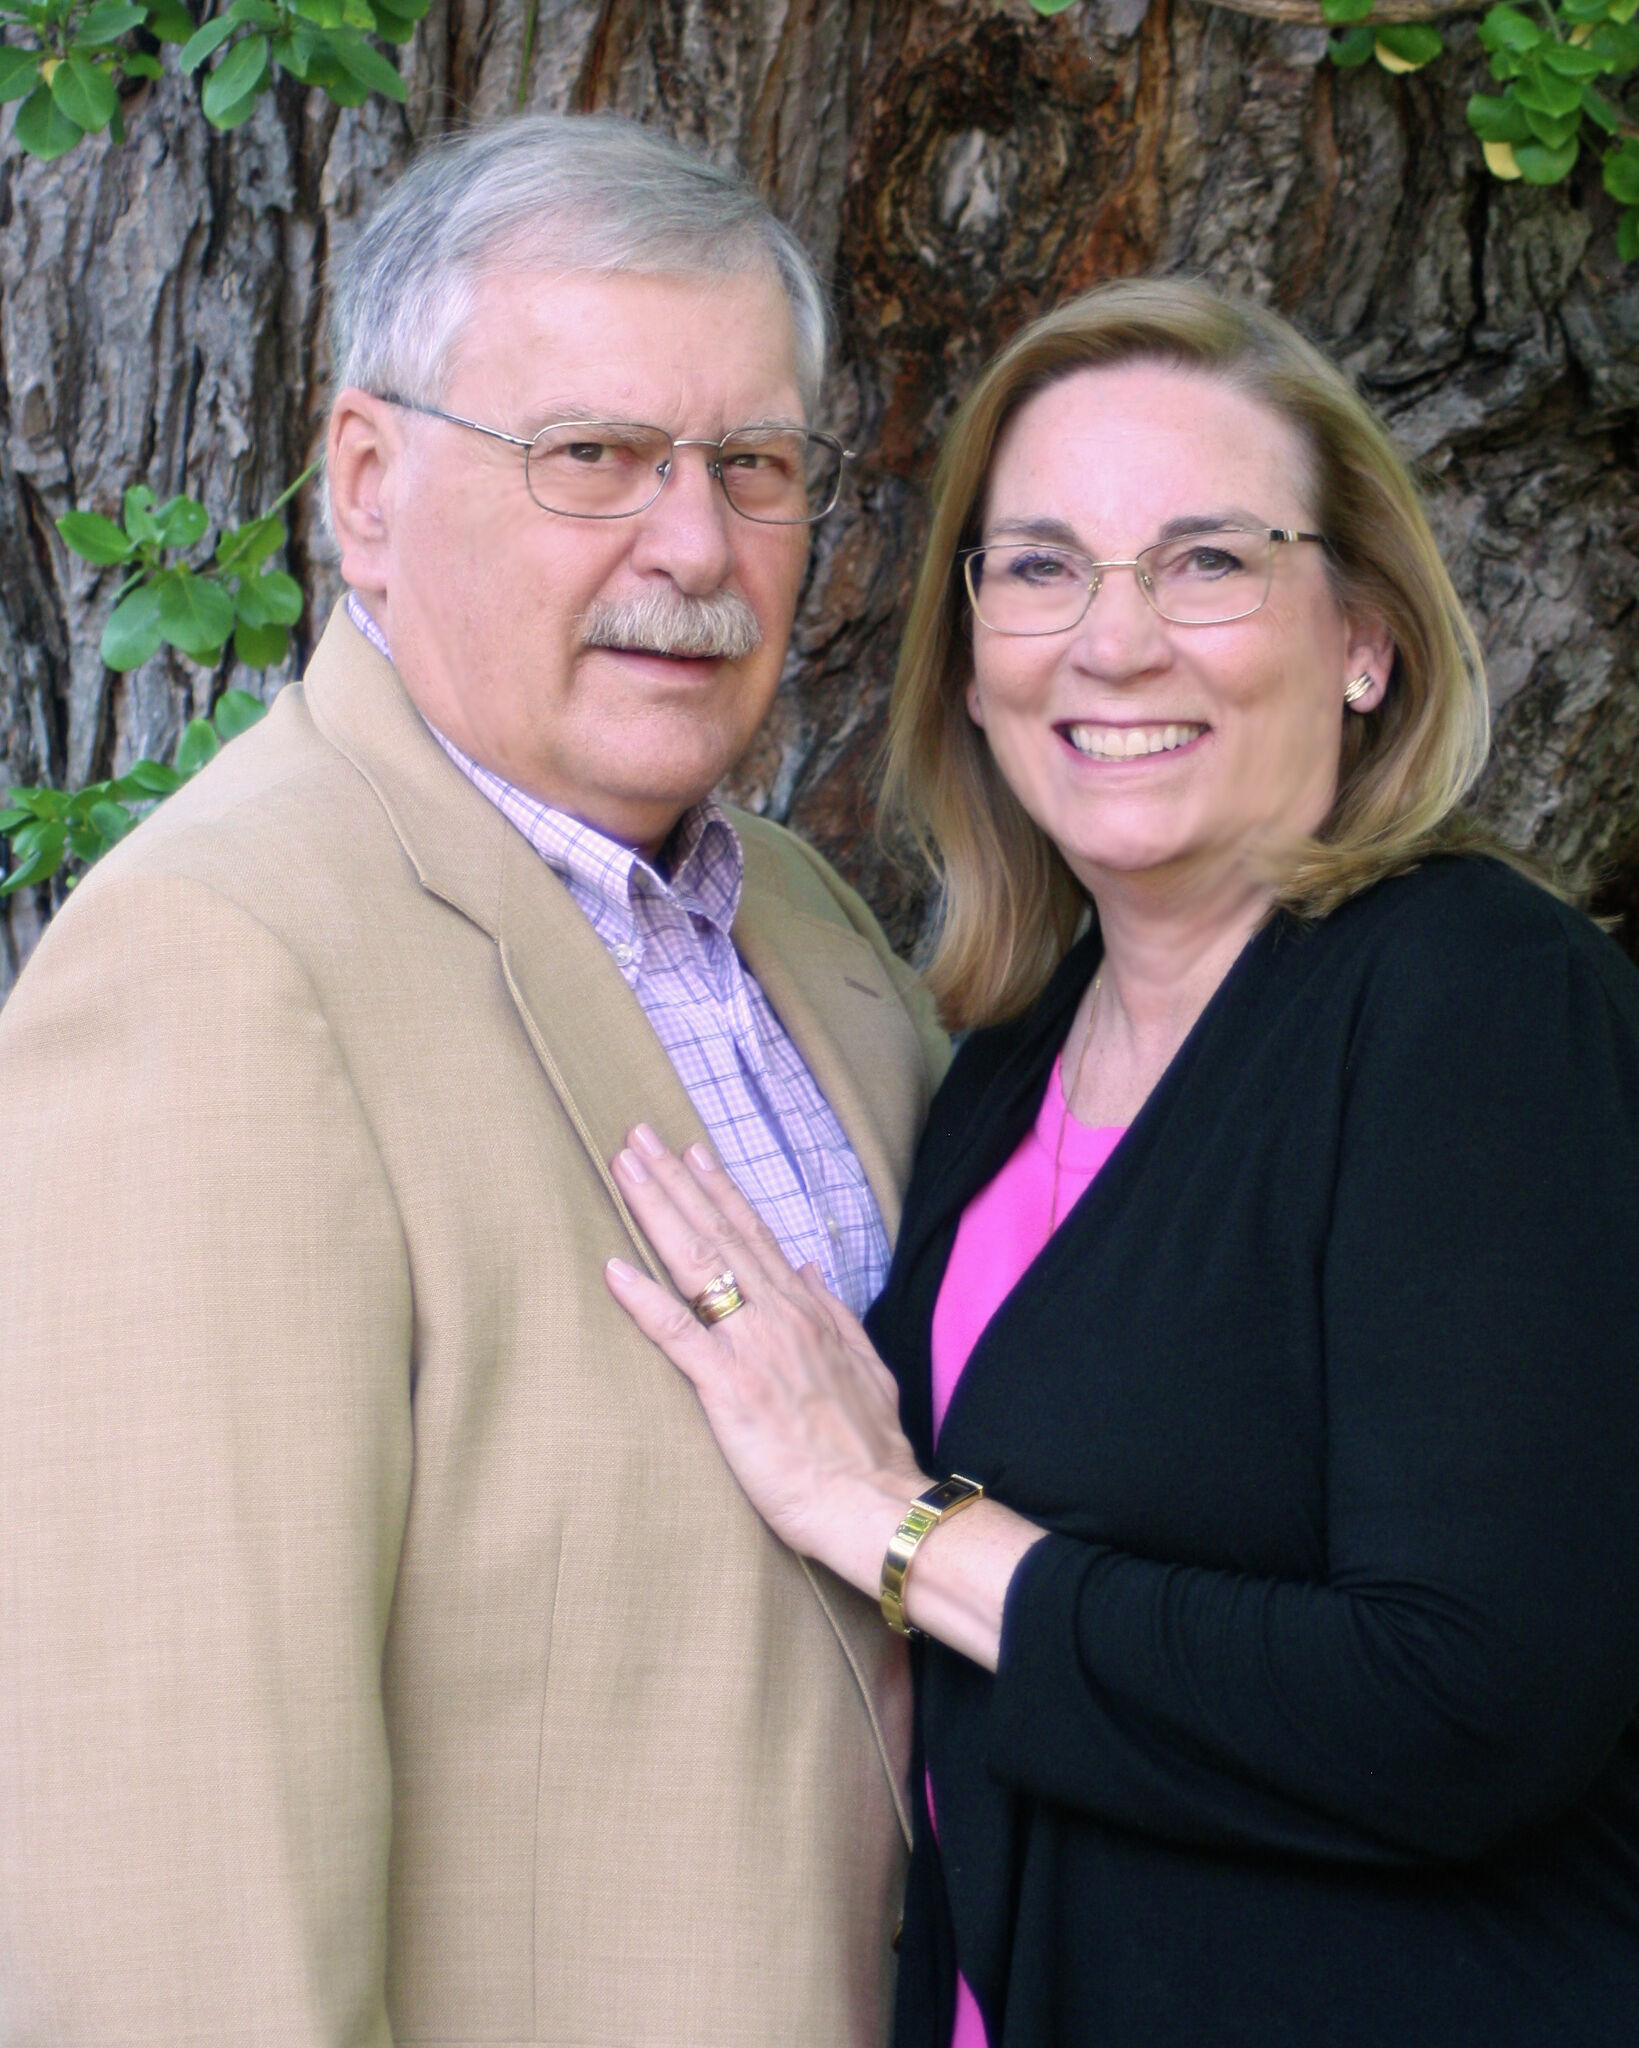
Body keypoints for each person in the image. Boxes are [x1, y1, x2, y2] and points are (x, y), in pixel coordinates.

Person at [604, 277, 1639, 2047]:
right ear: (976, 657)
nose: (1115, 640)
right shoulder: (1009, 1056)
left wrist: (894, 1522)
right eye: (1042, 565)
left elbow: (1469, 1703)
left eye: (1209, 563)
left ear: (1365, 636)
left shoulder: (1475, 1007)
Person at [0, 115, 948, 2046]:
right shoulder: (221, 971)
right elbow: (173, 1873)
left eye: (751, 467)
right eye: (590, 454)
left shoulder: (817, 931)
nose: (692, 543)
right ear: (365, 480)